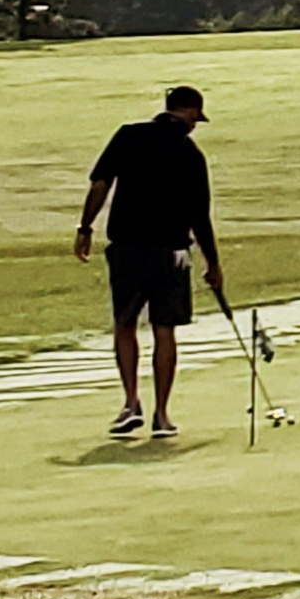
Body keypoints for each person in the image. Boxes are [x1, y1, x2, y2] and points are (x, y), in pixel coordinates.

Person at [77, 85, 223, 440]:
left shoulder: (129, 136)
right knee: (164, 329)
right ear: (187, 112)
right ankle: (161, 414)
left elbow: (101, 184)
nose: (195, 125)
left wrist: (85, 227)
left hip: (127, 246)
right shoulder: (190, 153)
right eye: (195, 118)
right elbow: (199, 216)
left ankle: (131, 403)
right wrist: (213, 264)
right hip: (171, 252)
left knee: (124, 325)